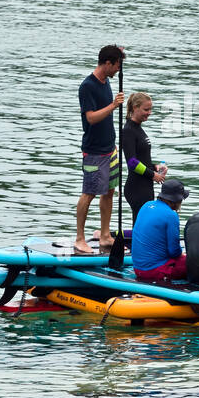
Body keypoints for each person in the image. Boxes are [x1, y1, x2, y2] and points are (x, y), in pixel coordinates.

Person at [75, 45, 125, 254]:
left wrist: (118, 51)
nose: (118, 70)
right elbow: (91, 118)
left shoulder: (106, 82)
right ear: (107, 63)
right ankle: (79, 238)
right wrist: (113, 106)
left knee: (109, 192)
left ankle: (105, 235)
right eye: (117, 65)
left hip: (110, 148)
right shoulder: (87, 86)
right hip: (94, 151)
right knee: (89, 193)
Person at [120, 92, 167, 224]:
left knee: (144, 225)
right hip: (136, 188)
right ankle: (104, 234)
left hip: (145, 185)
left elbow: (142, 159)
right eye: (146, 109)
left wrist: (155, 167)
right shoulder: (128, 130)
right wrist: (153, 175)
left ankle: (107, 234)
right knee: (141, 226)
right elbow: (132, 162)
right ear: (135, 108)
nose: (149, 113)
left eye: (150, 109)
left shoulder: (138, 129)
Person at [131, 178, 190, 281]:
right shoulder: (171, 215)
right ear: (177, 200)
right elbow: (174, 252)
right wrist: (183, 254)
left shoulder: (146, 205)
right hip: (154, 271)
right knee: (195, 262)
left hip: (137, 268)